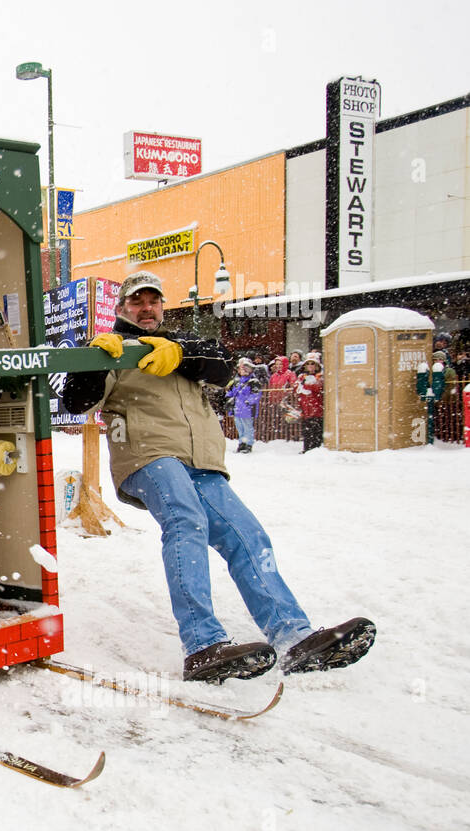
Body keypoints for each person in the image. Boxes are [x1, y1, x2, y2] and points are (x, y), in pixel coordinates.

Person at [62, 270, 373, 683]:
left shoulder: (180, 345)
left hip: (201, 458)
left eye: (153, 300)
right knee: (185, 519)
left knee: (247, 535)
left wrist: (178, 350)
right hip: (147, 455)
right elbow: (75, 401)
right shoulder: (112, 349)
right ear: (121, 309)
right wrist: (96, 361)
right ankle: (203, 644)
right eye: (137, 302)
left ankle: (293, 635)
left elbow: (221, 366)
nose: (147, 308)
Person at [226, 356, 262, 453]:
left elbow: (256, 394)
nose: (243, 370)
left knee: (247, 427)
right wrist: (229, 399)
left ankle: (248, 444)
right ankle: (242, 443)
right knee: (240, 427)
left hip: (247, 409)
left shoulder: (254, 381)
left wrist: (248, 402)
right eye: (241, 368)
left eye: (246, 367)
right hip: (237, 409)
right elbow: (230, 392)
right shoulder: (236, 381)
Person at [295, 351, 324, 453]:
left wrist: (307, 386)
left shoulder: (320, 376)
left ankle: (316, 449)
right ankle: (307, 449)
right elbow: (296, 387)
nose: (310, 366)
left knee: (316, 430)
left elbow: (318, 387)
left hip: (317, 408)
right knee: (306, 430)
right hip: (305, 408)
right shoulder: (301, 376)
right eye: (308, 363)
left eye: (312, 363)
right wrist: (300, 387)